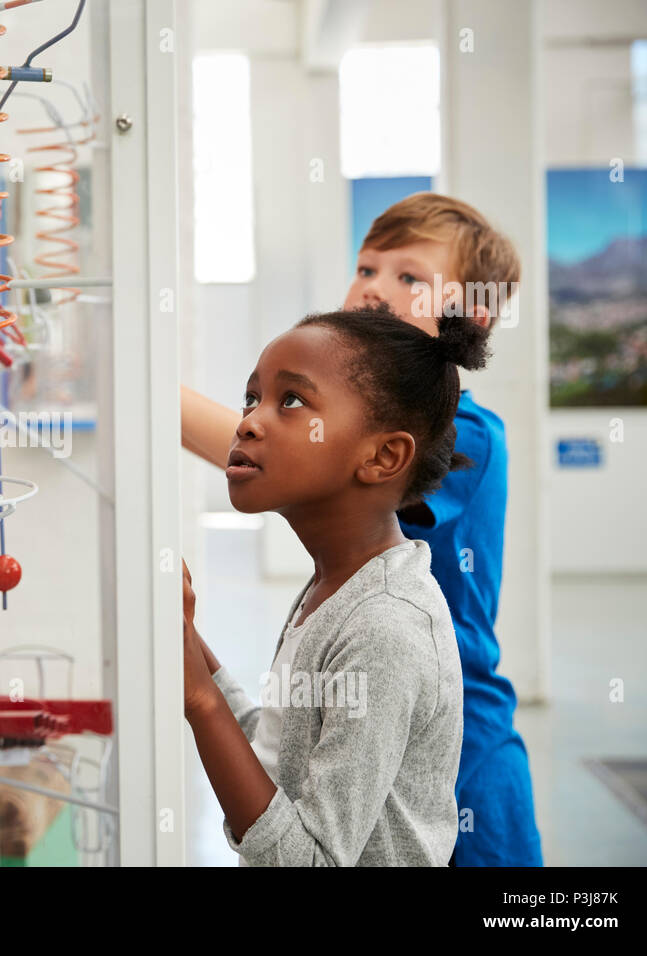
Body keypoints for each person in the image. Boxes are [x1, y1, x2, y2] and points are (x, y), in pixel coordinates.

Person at [181, 194, 543, 867]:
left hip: (466, 766)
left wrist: (154, 396)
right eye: (367, 268)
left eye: (409, 278)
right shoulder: (331, 591)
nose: (375, 289)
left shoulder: (468, 437)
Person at [183, 304, 485, 865]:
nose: (248, 421)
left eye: (290, 401)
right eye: (252, 398)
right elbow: (279, 759)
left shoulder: (385, 626)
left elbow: (311, 859)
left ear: (383, 455)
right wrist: (188, 642)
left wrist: (200, 699)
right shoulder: (335, 586)